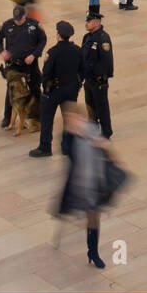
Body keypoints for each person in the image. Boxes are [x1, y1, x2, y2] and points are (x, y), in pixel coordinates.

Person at [55, 103, 120, 269]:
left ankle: (93, 252)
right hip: (79, 183)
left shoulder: (92, 130)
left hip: (94, 181)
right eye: (70, 120)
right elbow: (67, 152)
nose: (73, 122)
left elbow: (107, 152)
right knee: (72, 211)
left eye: (76, 118)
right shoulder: (68, 137)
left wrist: (103, 145)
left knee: (93, 218)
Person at [30, 20, 83, 158]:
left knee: (47, 118)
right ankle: (68, 146)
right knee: (69, 119)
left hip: (54, 90)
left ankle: (45, 147)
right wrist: (77, 85)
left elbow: (46, 73)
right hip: (71, 89)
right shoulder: (77, 50)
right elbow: (83, 70)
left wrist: (46, 88)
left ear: (58, 35)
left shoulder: (53, 52)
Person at [0, 4, 47, 129]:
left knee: (35, 88)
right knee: (11, 90)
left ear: (25, 15)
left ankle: (38, 117)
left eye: (20, 19)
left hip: (30, 64)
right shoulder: (7, 25)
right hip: (14, 65)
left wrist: (34, 55)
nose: (17, 21)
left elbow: (42, 40)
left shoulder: (34, 25)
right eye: (16, 19)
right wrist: (2, 51)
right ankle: (7, 117)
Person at [81, 10, 114, 139]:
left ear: (97, 22)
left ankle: (106, 131)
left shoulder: (103, 39)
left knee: (102, 107)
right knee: (90, 106)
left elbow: (106, 61)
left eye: (89, 21)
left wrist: (99, 75)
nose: (86, 24)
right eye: (86, 21)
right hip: (88, 79)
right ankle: (93, 128)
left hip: (98, 80)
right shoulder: (87, 37)